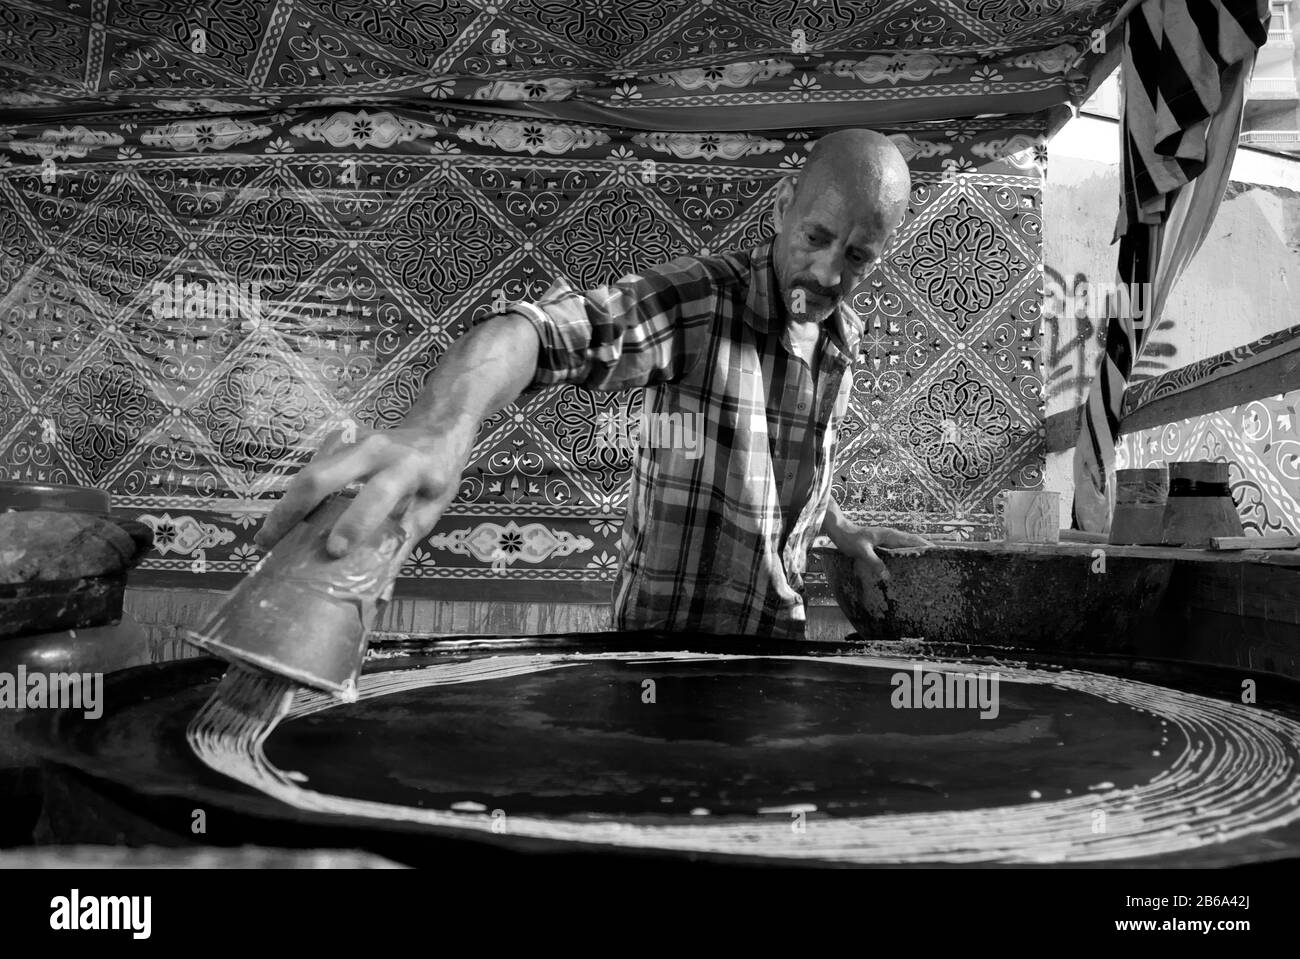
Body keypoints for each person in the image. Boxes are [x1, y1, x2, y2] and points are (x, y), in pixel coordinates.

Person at [255, 128, 930, 639]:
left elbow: (791, 458)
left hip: (777, 645)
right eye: (817, 235)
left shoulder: (844, 338)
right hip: (661, 656)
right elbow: (541, 334)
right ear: (784, 206)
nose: (827, 272)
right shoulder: (701, 301)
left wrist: (837, 526)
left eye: (859, 257)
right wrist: (439, 427)